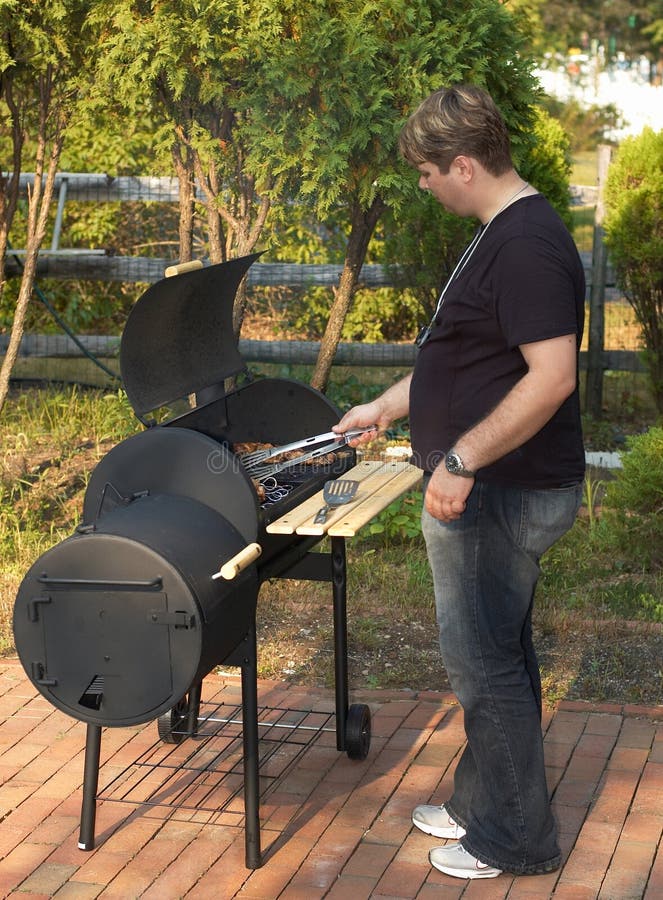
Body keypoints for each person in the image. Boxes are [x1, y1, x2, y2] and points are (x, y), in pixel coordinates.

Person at [333, 84, 585, 880]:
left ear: (465, 164)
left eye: (425, 171)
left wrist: (460, 459)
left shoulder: (527, 245)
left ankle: (515, 838)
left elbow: (550, 379)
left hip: (498, 490)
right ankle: (485, 802)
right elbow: (466, 359)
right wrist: (383, 404)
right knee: (495, 650)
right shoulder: (500, 230)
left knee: (484, 663)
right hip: (485, 483)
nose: (421, 184)